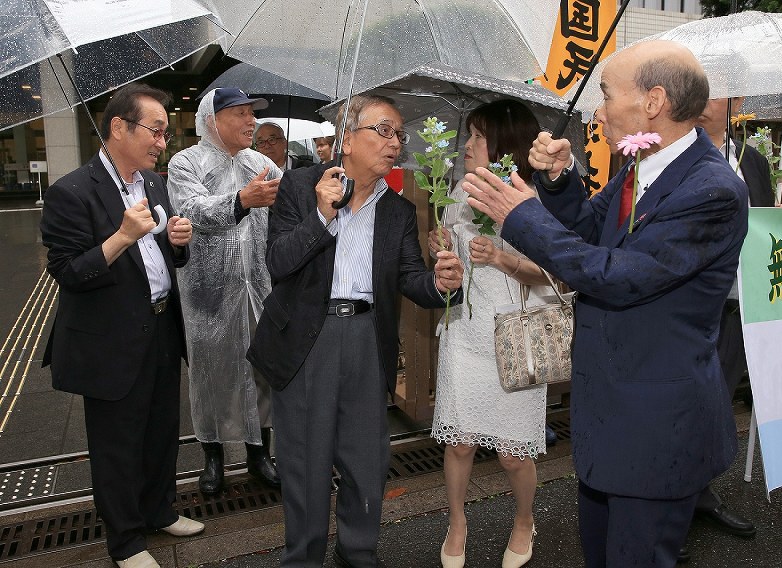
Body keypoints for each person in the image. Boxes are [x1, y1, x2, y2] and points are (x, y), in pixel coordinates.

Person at [462, 40, 749, 568]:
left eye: (608, 94)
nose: (598, 111)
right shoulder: (643, 164)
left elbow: (618, 276)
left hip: (655, 428)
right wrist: (558, 182)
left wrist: (521, 217)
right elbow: (590, 230)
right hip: (611, 416)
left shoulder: (713, 190)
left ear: (653, 101)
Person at [247, 94, 465, 567]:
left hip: (368, 338)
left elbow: (410, 278)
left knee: (366, 460)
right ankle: (303, 558)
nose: (395, 143)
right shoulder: (301, 185)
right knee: (305, 463)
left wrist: (441, 283)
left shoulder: (398, 210)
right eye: (383, 130)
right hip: (306, 339)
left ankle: (357, 553)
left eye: (399, 135)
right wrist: (321, 215)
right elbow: (278, 262)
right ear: (347, 139)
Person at [40, 82, 202, 568]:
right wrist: (121, 238)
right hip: (110, 339)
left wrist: (177, 242)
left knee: (161, 429)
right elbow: (68, 272)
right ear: (118, 127)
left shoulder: (153, 184)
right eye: (156, 130)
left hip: (161, 326)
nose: (163, 142)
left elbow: (165, 255)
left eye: (165, 132)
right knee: (117, 443)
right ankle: (126, 540)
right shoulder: (72, 191)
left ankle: (158, 510)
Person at [428, 100, 550, 568]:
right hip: (464, 330)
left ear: (504, 144)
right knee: (459, 442)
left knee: (512, 455)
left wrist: (501, 257)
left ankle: (524, 519)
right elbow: (451, 258)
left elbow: (556, 275)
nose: (467, 145)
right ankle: (456, 523)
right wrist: (441, 247)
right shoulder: (459, 191)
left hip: (515, 336)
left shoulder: (533, 199)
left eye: (478, 137)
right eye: (470, 135)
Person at [167, 88, 283, 495]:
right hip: (208, 295)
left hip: (259, 289)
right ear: (211, 120)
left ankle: (259, 454)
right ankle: (212, 456)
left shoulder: (262, 164)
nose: (251, 121)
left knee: (260, 372)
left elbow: (289, 208)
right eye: (241, 114)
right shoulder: (186, 162)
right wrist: (241, 199)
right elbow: (192, 210)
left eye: (253, 114)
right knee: (209, 373)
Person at [672, 95, 774, 556]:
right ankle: (667, 510)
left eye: (719, 90)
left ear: (738, 100)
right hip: (685, 309)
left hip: (737, 306)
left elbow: (766, 227)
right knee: (678, 411)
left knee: (716, 409)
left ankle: (700, 495)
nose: (707, 98)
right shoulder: (670, 155)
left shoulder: (753, 161)